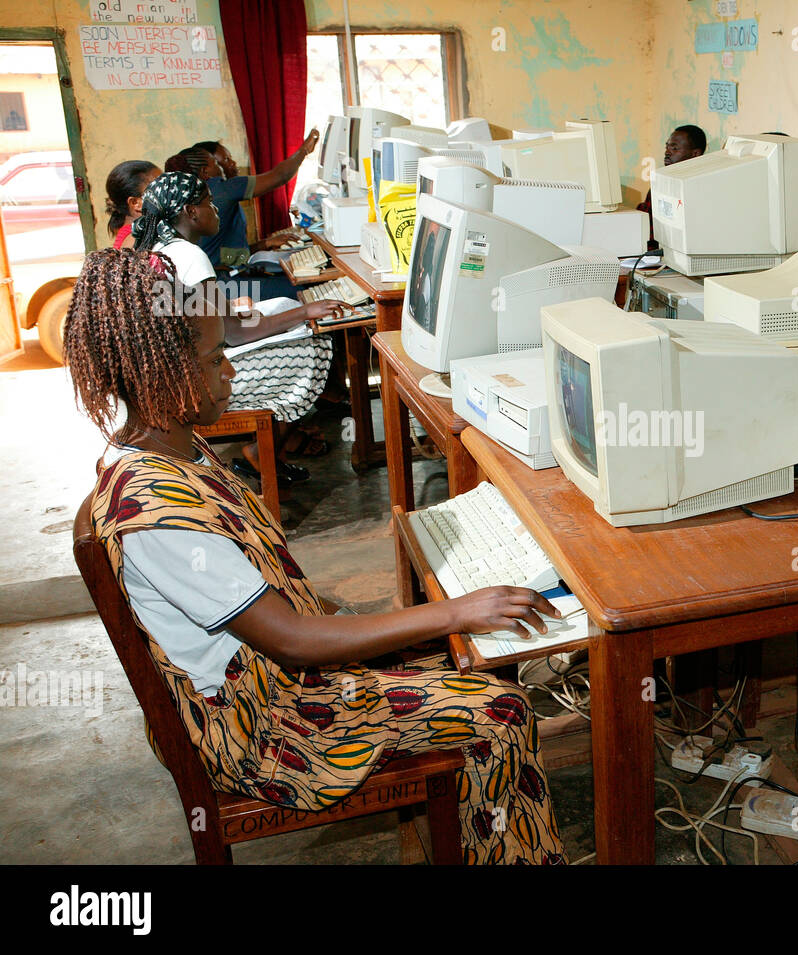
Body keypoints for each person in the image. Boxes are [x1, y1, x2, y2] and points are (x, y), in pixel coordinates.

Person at [64, 249, 567, 864]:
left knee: (464, 653)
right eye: (215, 359)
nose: (231, 373)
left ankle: (478, 838)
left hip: (272, 682)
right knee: (502, 712)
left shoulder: (170, 449)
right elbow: (294, 642)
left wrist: (437, 620)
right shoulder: (156, 515)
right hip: (264, 728)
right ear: (154, 377)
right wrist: (454, 611)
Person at [132, 171, 341, 482]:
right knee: (314, 342)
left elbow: (206, 318)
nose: (215, 209)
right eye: (208, 203)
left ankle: (273, 448)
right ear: (190, 212)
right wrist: (305, 311)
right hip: (199, 383)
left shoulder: (158, 249)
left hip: (177, 374)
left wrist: (278, 314)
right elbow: (235, 333)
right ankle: (265, 449)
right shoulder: (190, 255)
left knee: (283, 312)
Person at [187, 132, 319, 268]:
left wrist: (265, 244)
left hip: (220, 278)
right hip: (225, 282)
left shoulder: (199, 196)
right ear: (205, 171)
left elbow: (224, 257)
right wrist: (304, 150)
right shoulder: (225, 188)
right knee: (299, 284)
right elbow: (280, 176)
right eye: (224, 161)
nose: (233, 163)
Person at [637, 124, 707, 250]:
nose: (667, 152)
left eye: (674, 148)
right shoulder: (659, 183)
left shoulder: (702, 188)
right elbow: (645, 228)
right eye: (667, 147)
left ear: (695, 154)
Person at [104, 160, 161, 250]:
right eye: (159, 189)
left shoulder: (137, 233)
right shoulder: (137, 239)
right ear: (135, 203)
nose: (168, 191)